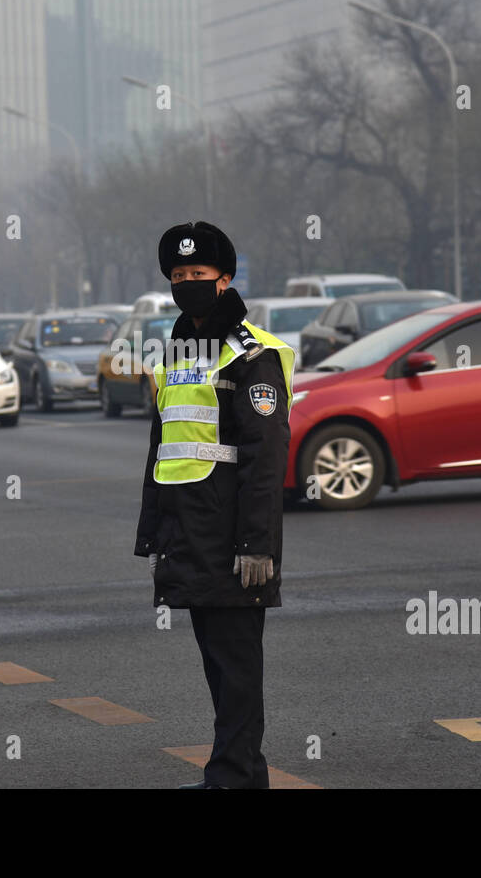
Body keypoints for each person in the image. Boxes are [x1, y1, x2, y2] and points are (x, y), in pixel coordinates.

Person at [134, 220, 295, 789]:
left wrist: (257, 546)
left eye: (198, 274)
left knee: (236, 668)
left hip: (232, 540)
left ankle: (231, 778)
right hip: (189, 536)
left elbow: (265, 457)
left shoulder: (253, 355)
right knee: (219, 668)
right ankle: (242, 776)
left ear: (225, 279)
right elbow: (166, 449)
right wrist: (153, 534)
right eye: (178, 275)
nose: (187, 283)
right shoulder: (178, 353)